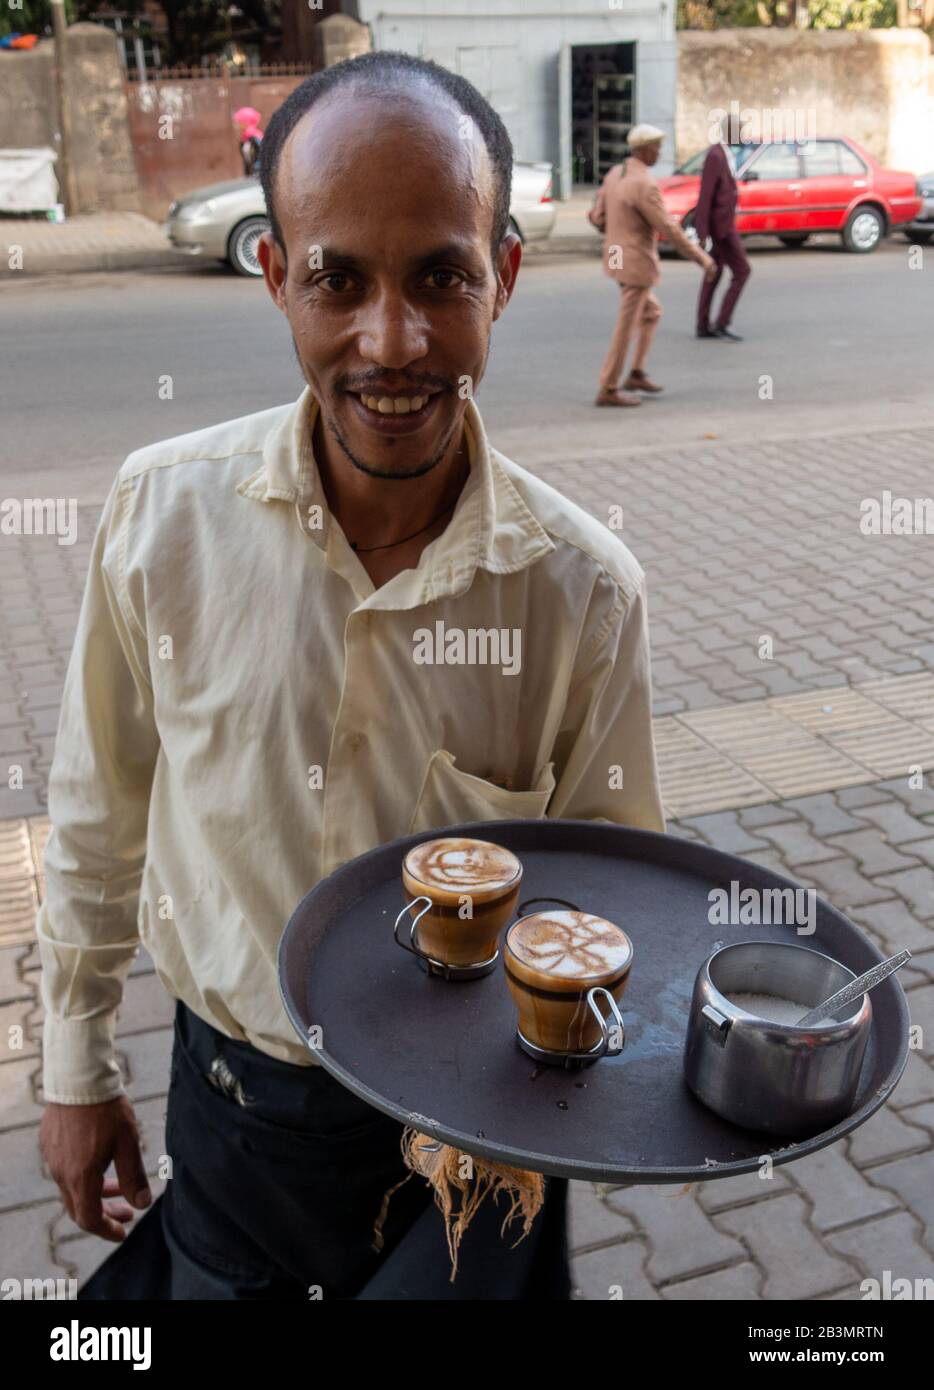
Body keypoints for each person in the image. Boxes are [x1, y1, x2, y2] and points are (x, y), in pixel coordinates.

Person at [37, 51, 666, 1302]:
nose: (394, 342)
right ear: (276, 277)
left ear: (503, 279)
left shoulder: (581, 589)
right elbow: (99, 806)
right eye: (339, 279)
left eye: (442, 275)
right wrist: (73, 1061)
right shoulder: (164, 520)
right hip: (233, 1112)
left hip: (485, 1128)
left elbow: (616, 890)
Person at [591, 124, 716, 407]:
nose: (659, 153)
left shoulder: (615, 173)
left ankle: (636, 372)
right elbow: (669, 228)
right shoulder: (644, 184)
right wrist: (702, 258)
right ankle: (608, 387)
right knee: (626, 325)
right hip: (635, 262)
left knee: (651, 312)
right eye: (657, 148)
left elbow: (597, 217)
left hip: (616, 258)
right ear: (645, 150)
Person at [694, 114, 751, 342]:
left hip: (722, 225)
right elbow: (705, 196)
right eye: (740, 131)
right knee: (742, 271)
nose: (743, 135)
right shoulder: (716, 156)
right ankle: (721, 323)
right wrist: (702, 233)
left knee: (713, 273)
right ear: (729, 132)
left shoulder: (725, 154)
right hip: (722, 229)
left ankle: (703, 324)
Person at [234, 105, 263, 176]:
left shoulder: (256, 137)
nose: (238, 125)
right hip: (251, 176)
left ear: (246, 122)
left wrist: (258, 170)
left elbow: (262, 155)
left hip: (259, 174)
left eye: (240, 122)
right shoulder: (244, 140)